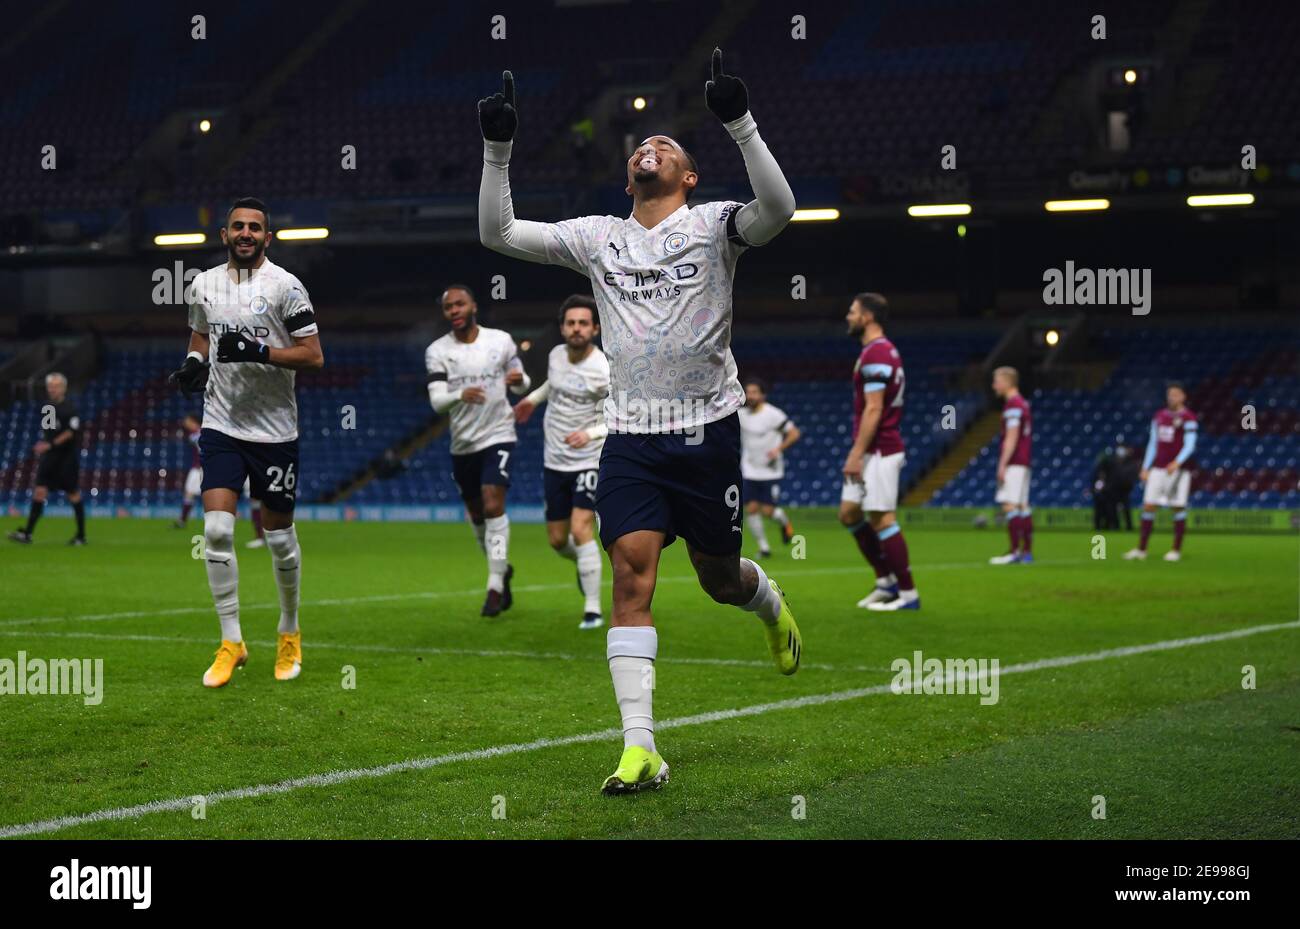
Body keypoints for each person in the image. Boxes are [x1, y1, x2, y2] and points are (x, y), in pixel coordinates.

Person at [477, 49, 801, 795]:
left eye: (668, 146)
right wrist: (498, 149)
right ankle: (640, 747)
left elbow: (780, 210)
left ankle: (769, 602)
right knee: (631, 575)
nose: (648, 146)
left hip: (709, 428)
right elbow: (499, 234)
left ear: (689, 176)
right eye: (640, 149)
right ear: (629, 179)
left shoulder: (717, 223)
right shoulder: (598, 237)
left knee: (720, 578)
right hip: (633, 436)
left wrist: (740, 123)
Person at [169, 196, 323, 687]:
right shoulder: (204, 284)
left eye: (255, 227)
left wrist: (261, 351)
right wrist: (195, 366)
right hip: (221, 425)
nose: (246, 233)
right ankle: (232, 641)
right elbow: (199, 336)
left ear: (267, 237)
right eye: (238, 226)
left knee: (279, 538)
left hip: (276, 431)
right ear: (224, 234)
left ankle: (289, 630)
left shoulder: (287, 287)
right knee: (215, 532)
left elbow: (313, 356)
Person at [425, 284, 531, 616]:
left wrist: (519, 382)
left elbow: (522, 381)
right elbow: (437, 402)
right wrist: (460, 395)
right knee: (476, 515)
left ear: (473, 307)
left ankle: (494, 587)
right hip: (463, 444)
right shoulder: (437, 351)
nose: (454, 310)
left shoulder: (500, 341)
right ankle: (502, 569)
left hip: (498, 434)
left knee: (492, 501)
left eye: (459, 304)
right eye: (448, 307)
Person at [514, 294, 610, 630]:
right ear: (563, 328)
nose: (576, 329)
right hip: (554, 459)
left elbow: (623, 415)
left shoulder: (602, 368)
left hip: (588, 461)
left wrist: (592, 434)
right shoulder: (556, 356)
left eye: (583, 323)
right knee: (557, 540)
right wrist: (531, 399)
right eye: (571, 323)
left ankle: (593, 609)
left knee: (582, 528)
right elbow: (553, 386)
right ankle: (585, 565)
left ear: (595, 329)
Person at [838, 294, 920, 610]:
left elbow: (874, 408)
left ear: (868, 317)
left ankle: (909, 594)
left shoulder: (877, 355)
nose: (848, 316)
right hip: (871, 448)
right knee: (849, 513)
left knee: (883, 519)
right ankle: (886, 582)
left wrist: (856, 453)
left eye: (852, 311)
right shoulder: (877, 352)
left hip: (880, 449)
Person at [8, 373, 86, 546]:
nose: (52, 389)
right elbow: (50, 431)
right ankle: (27, 533)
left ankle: (81, 535)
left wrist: (49, 444)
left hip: (66, 458)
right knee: (39, 491)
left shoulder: (70, 408)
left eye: (56, 386)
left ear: (63, 388)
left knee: (73, 493)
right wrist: (45, 444)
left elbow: (70, 433)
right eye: (50, 386)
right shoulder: (48, 407)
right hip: (50, 458)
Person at [1125, 383, 1197, 562]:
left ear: (1183, 396)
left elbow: (1190, 445)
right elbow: (1153, 443)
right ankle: (1141, 550)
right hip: (1158, 468)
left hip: (1178, 470)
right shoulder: (1159, 416)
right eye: (1169, 394)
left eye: (1175, 394)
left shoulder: (1189, 418)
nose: (1171, 398)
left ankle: (1176, 550)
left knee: (1177, 506)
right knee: (1149, 505)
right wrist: (1145, 467)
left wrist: (1177, 462)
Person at [738, 376, 799, 558]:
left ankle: (784, 523)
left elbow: (794, 433)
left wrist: (778, 449)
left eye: (755, 392)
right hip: (750, 469)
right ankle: (764, 548)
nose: (751, 396)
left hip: (771, 471)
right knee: (752, 509)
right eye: (748, 392)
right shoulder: (741, 415)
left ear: (763, 395)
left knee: (768, 511)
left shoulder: (774, 414)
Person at [988, 366, 1034, 564]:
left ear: (1007, 382)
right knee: (1023, 506)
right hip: (1024, 461)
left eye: (996, 381)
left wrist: (1002, 464)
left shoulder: (1013, 405)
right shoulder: (1023, 404)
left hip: (1015, 462)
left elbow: (1012, 437)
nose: (994, 386)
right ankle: (1026, 552)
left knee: (1010, 505)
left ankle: (1015, 552)